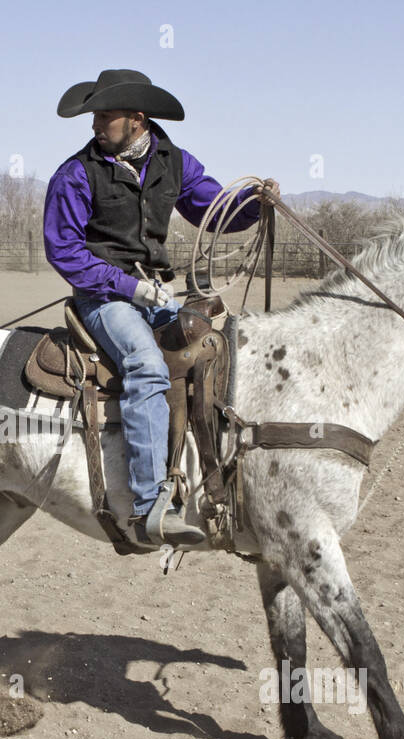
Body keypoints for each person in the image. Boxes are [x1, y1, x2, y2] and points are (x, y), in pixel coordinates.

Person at [44, 69, 279, 548]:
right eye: (95, 116)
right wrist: (127, 287)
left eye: (105, 116)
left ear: (137, 118)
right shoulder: (75, 174)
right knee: (147, 366)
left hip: (158, 294)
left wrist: (256, 203)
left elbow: (212, 208)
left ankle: (214, 479)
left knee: (214, 348)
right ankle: (152, 505)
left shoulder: (174, 161)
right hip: (104, 298)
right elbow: (64, 250)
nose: (95, 125)